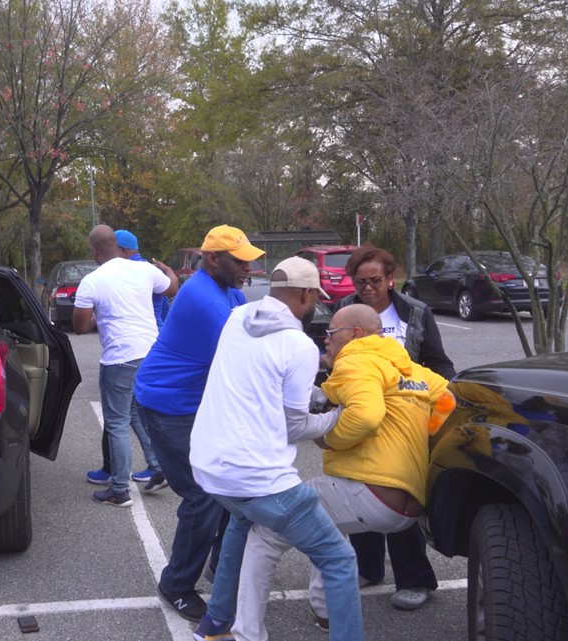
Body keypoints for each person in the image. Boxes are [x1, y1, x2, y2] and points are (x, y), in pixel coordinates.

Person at [234, 304, 451, 639]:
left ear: (355, 334)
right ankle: (325, 612)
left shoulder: (356, 360)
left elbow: (365, 415)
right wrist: (423, 436)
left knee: (266, 530)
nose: (326, 340)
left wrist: (329, 439)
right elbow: (450, 400)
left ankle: (246, 631)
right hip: (408, 505)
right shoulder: (412, 370)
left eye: (331, 333)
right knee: (327, 526)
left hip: (372, 491)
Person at [190, 257, 362, 641]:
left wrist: (316, 395)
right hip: (260, 479)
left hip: (209, 466)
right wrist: (338, 417)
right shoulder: (299, 345)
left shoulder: (237, 318)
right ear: (306, 294)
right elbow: (294, 426)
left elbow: (261, 379)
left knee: (241, 520)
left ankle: (216, 622)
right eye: (315, 297)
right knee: (338, 559)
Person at [134, 224, 263, 622]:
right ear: (213, 259)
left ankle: (220, 564)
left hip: (197, 404)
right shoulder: (202, 299)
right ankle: (176, 586)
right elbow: (245, 359)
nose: (248, 269)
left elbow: (254, 330)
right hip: (168, 405)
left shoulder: (228, 290)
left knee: (226, 485)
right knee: (202, 494)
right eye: (240, 261)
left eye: (249, 261)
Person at [334, 244, 455, 611]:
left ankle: (415, 578)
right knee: (358, 491)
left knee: (400, 494)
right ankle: (368, 568)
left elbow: (438, 363)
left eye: (374, 280)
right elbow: (332, 359)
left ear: (390, 279)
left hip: (404, 421)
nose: (367, 288)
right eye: (360, 282)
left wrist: (436, 404)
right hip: (361, 413)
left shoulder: (415, 313)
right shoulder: (344, 310)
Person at [73, 225, 178, 507]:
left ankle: (119, 489)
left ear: (94, 251)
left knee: (117, 422)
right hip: (151, 355)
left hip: (120, 358)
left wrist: (97, 316)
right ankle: (157, 467)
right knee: (133, 414)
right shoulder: (144, 269)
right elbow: (171, 287)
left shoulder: (92, 280)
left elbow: (80, 327)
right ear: (117, 247)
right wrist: (169, 271)